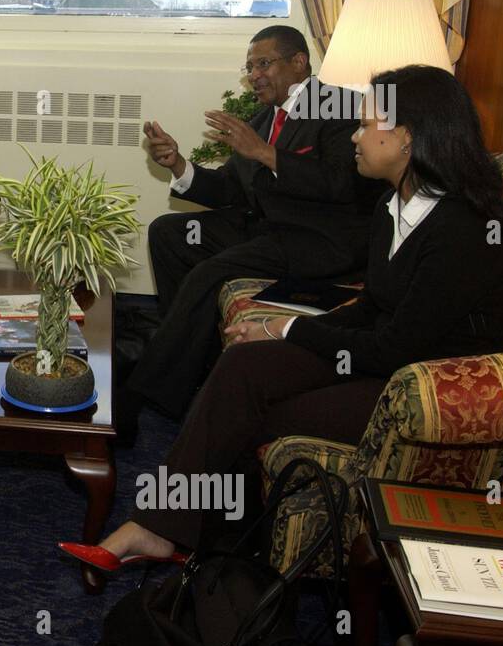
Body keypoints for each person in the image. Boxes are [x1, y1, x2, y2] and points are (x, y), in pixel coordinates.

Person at [62, 65, 503, 571]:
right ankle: (158, 530)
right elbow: (374, 306)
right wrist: (280, 335)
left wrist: (289, 328)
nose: (355, 134)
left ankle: (213, 550)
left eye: (367, 124)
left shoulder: (463, 232)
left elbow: (397, 348)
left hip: (426, 389)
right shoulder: (393, 208)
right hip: (382, 356)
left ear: (406, 138)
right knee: (246, 367)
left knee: (258, 414)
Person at [118, 24, 383, 441]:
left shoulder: (337, 105)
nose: (255, 75)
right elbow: (227, 188)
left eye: (264, 64)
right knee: (171, 232)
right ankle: (192, 357)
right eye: (249, 68)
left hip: (320, 240)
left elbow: (342, 183)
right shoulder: (263, 118)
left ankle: (146, 392)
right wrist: (177, 164)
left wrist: (264, 152)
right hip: (263, 226)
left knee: (211, 273)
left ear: (299, 63)